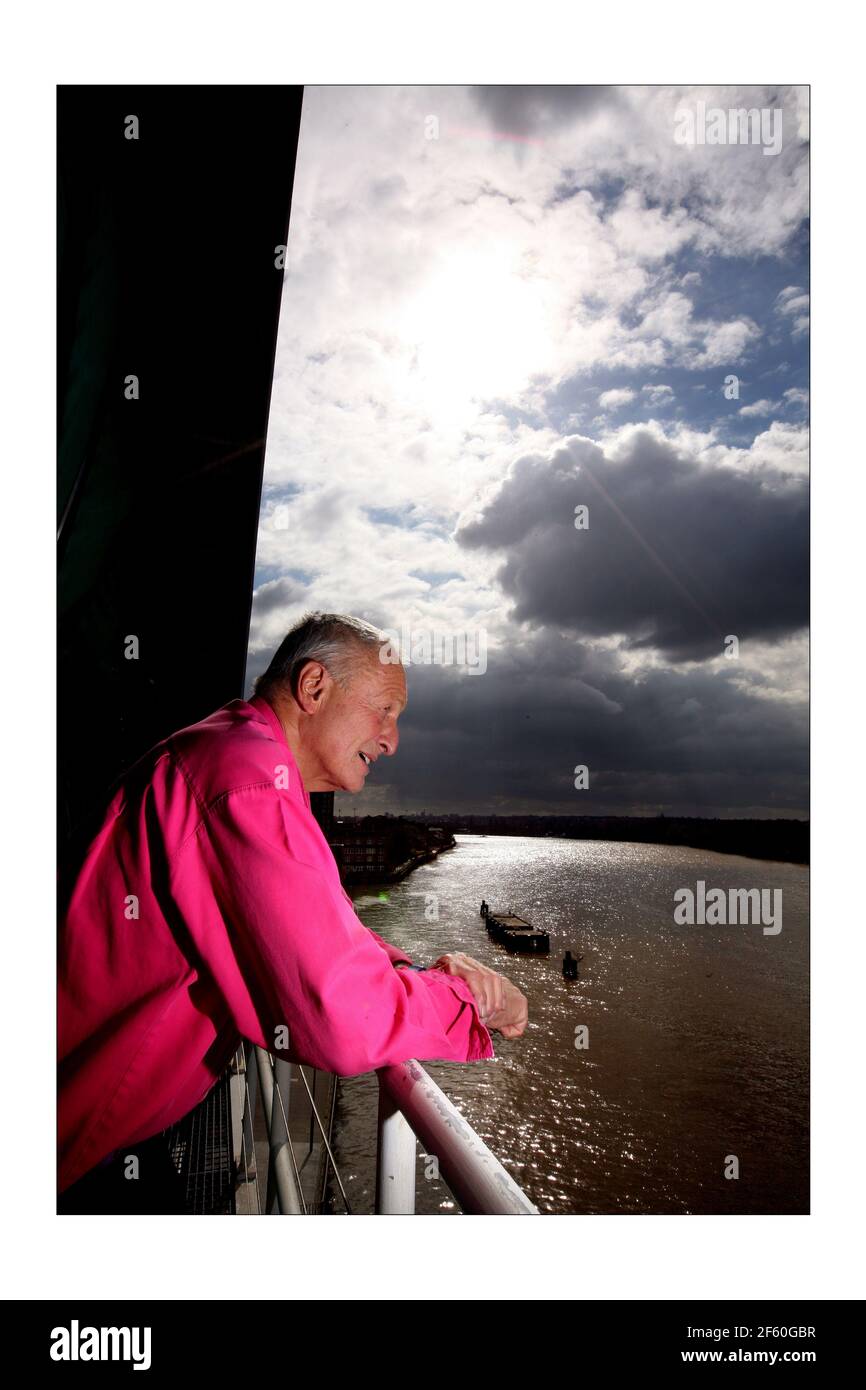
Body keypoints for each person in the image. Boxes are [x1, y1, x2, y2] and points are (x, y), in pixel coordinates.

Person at [58, 613, 528, 1206]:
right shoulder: (246, 782)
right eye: (383, 709)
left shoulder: (235, 757)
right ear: (314, 688)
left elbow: (316, 927)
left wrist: (409, 973)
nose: (392, 739)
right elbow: (340, 1014)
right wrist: (474, 1002)